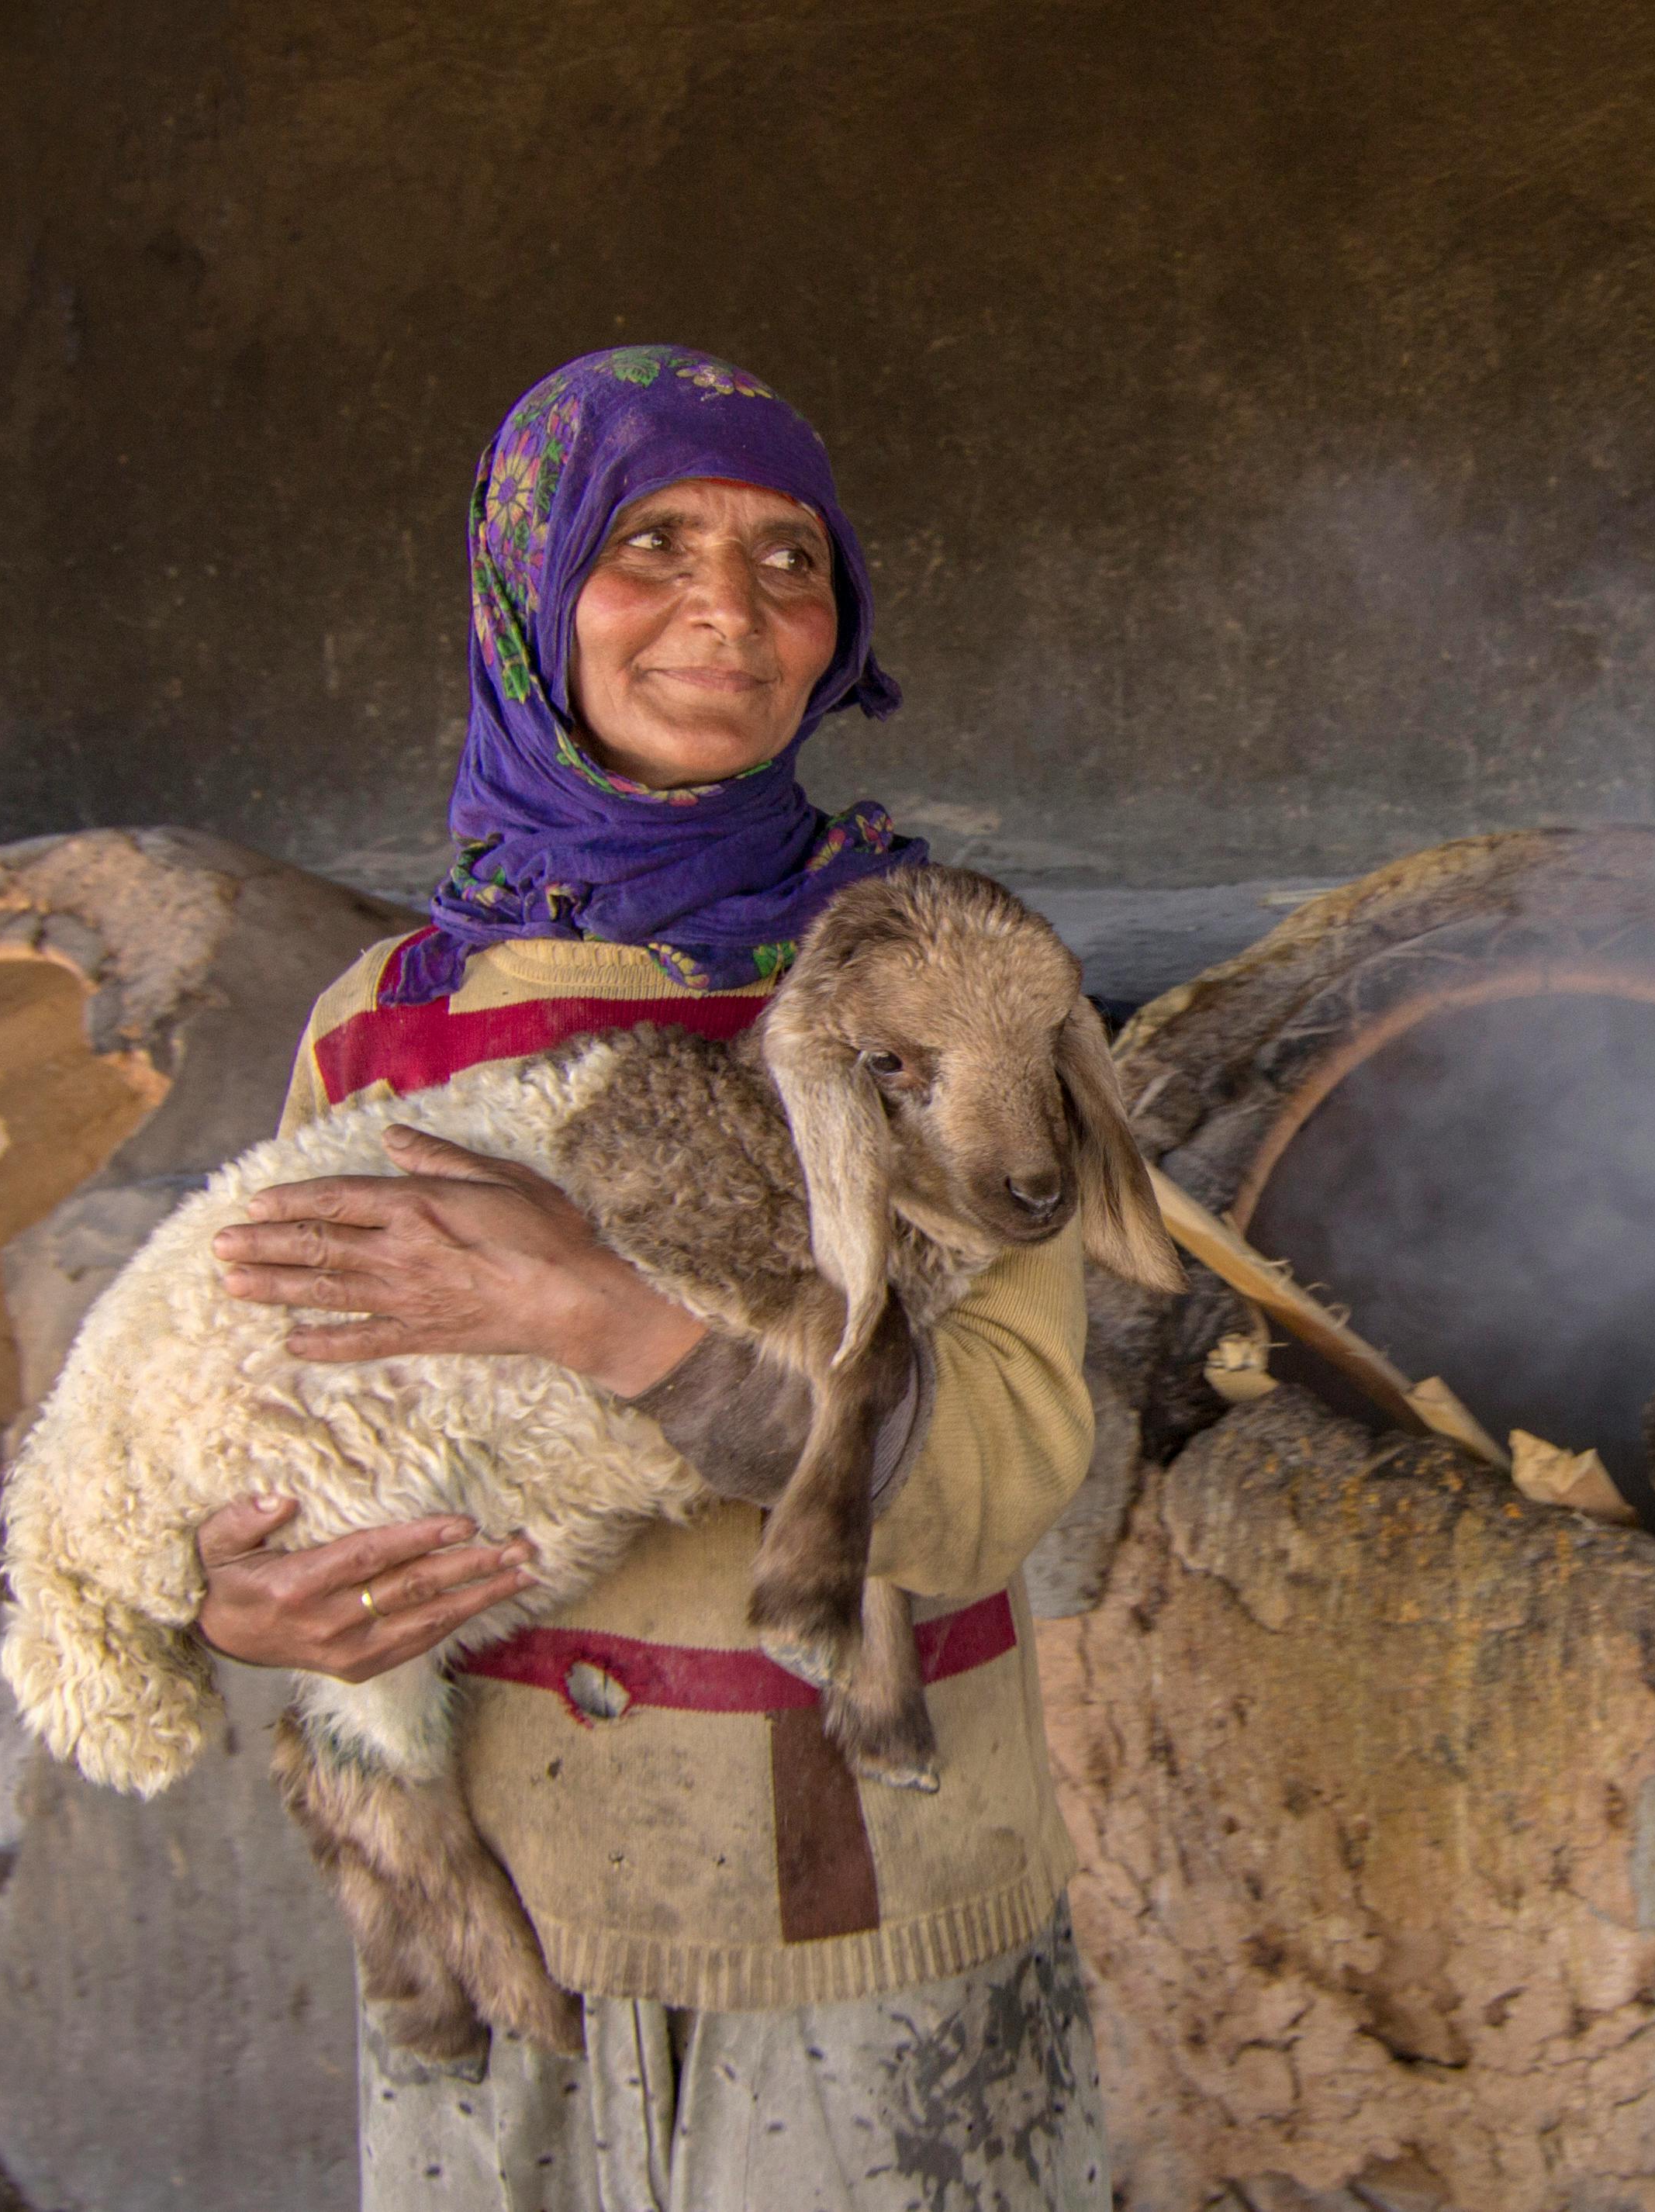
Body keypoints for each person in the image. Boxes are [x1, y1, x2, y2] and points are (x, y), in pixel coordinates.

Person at [185, 344, 1113, 2212]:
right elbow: (254, 1417)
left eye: (792, 558)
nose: (731, 609)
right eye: (652, 542)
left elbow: (1008, 1475)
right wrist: (238, 1593)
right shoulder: (382, 1029)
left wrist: (613, 1316)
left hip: (850, 1917)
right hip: (486, 1918)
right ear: (526, 597)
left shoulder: (953, 992)